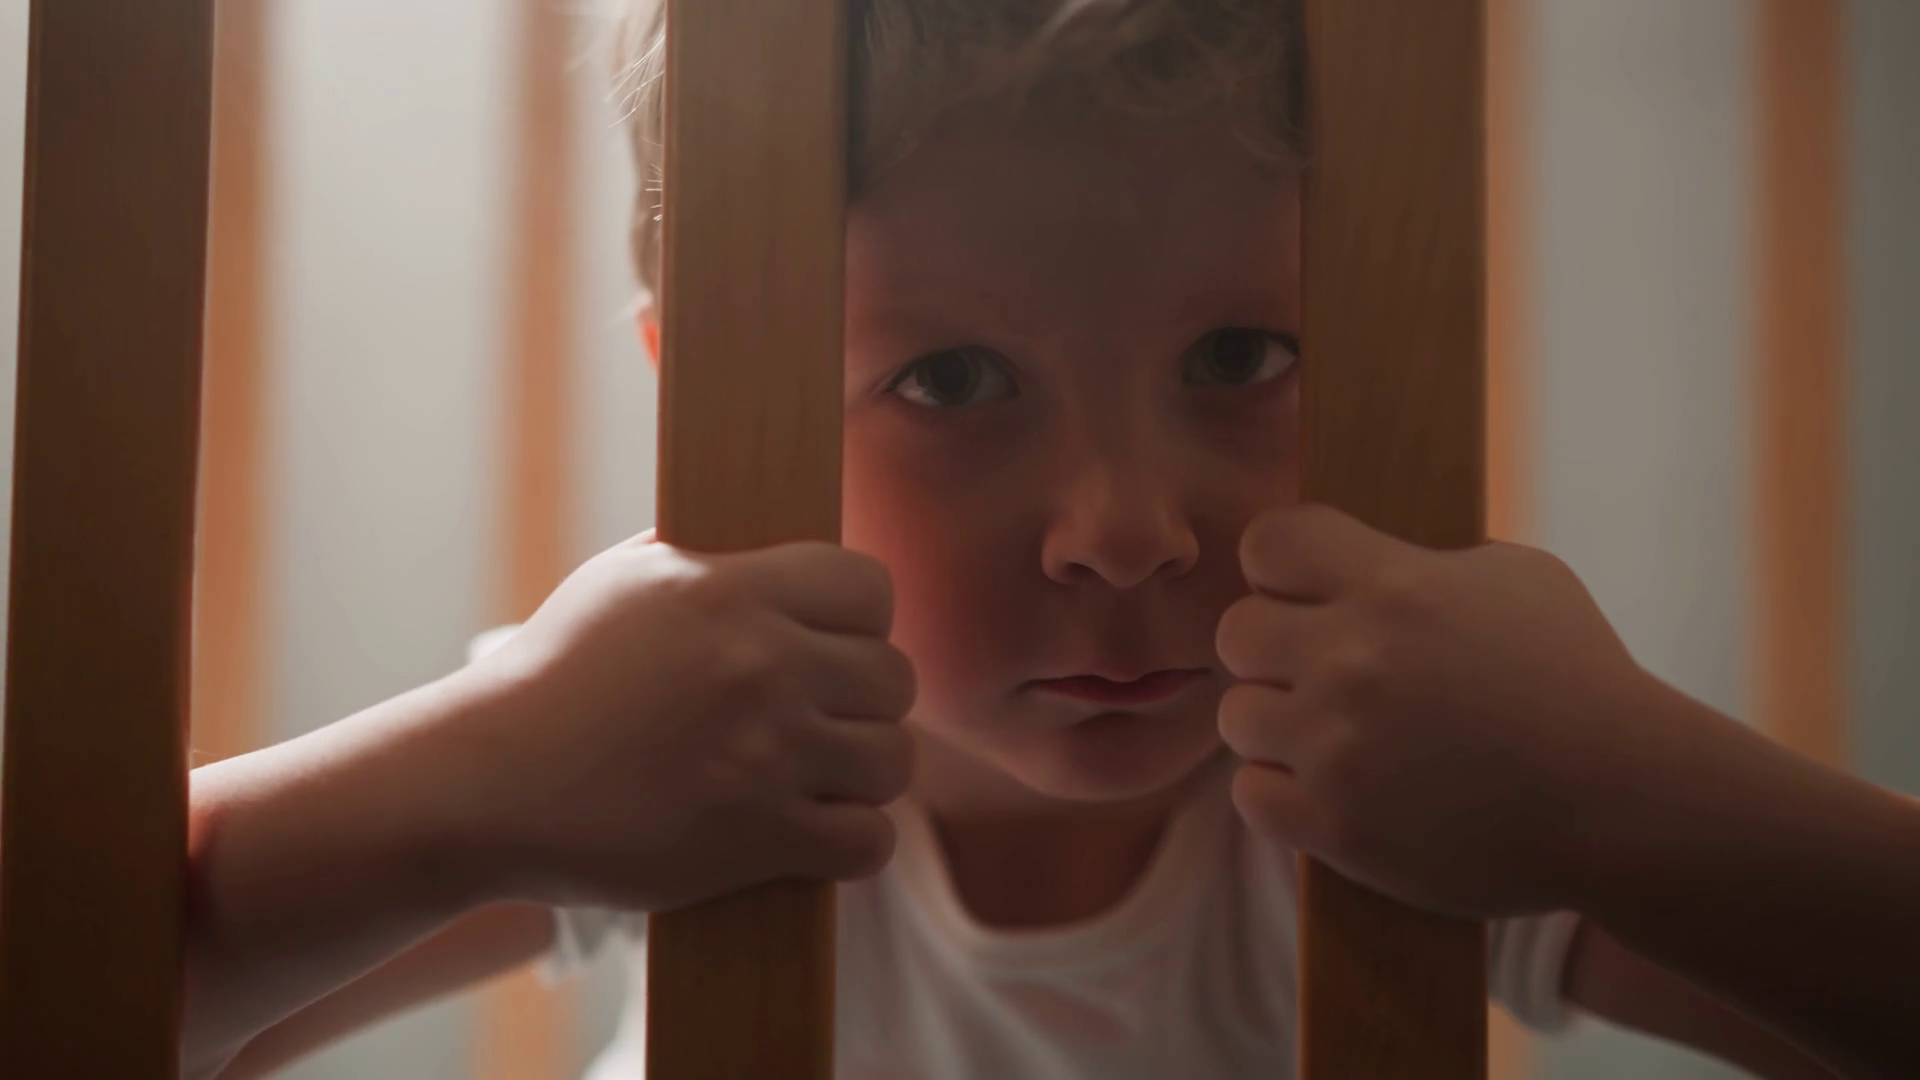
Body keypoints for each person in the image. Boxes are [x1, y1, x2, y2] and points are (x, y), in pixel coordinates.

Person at [181, 1, 1920, 1077]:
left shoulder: (1417, 808)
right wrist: (477, 786)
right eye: (950, 378)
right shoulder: (660, 759)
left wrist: (1609, 794)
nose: (1126, 529)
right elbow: (86, 1005)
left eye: (1241, 357)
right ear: (710, 397)